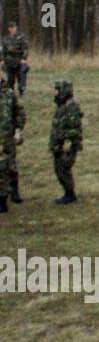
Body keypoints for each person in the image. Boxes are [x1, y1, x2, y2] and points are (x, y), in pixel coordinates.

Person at [50, 80, 82, 204]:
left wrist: (68, 143)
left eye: (58, 90)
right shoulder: (62, 105)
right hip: (59, 143)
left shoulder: (71, 107)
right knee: (59, 169)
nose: (56, 93)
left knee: (63, 168)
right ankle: (68, 193)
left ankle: (70, 194)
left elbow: (74, 128)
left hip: (66, 145)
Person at [0, 78, 25, 211]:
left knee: (10, 166)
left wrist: (18, 130)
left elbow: (19, 113)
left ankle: (14, 191)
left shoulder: (9, 94)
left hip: (7, 138)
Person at [2, 22, 28, 96]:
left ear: (16, 28)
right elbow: (3, 50)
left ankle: (21, 92)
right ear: (8, 29)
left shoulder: (21, 37)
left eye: (13, 27)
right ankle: (11, 93)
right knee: (10, 79)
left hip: (19, 61)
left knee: (20, 78)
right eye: (11, 28)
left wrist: (24, 59)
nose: (12, 29)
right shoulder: (6, 38)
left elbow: (25, 49)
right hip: (9, 62)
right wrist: (2, 60)